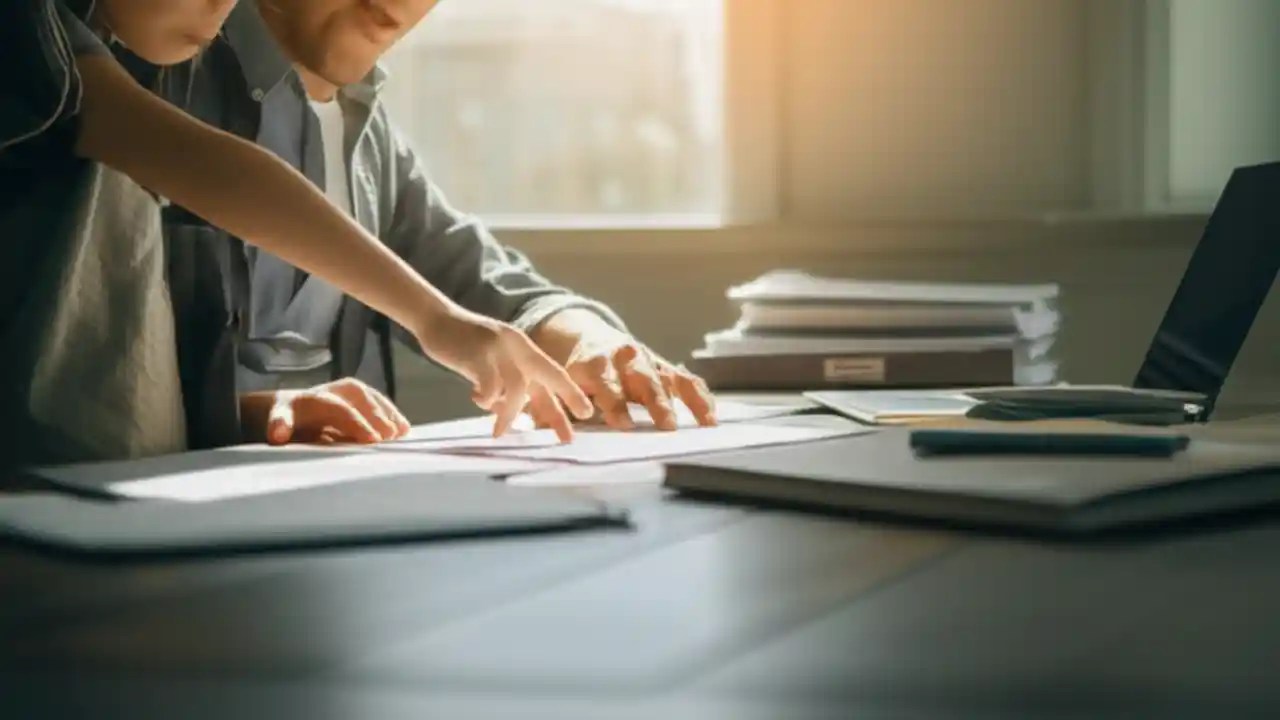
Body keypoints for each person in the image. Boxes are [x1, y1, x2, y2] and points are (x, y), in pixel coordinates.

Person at [0, 0, 593, 467]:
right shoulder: (70, 50)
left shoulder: (368, 130)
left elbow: (464, 261)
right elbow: (203, 165)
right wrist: (434, 318)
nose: (223, 6)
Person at [139, 0, 719, 447]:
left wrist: (591, 342)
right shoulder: (150, 61)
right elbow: (84, 374)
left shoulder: (368, 134)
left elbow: (475, 279)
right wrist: (247, 417)